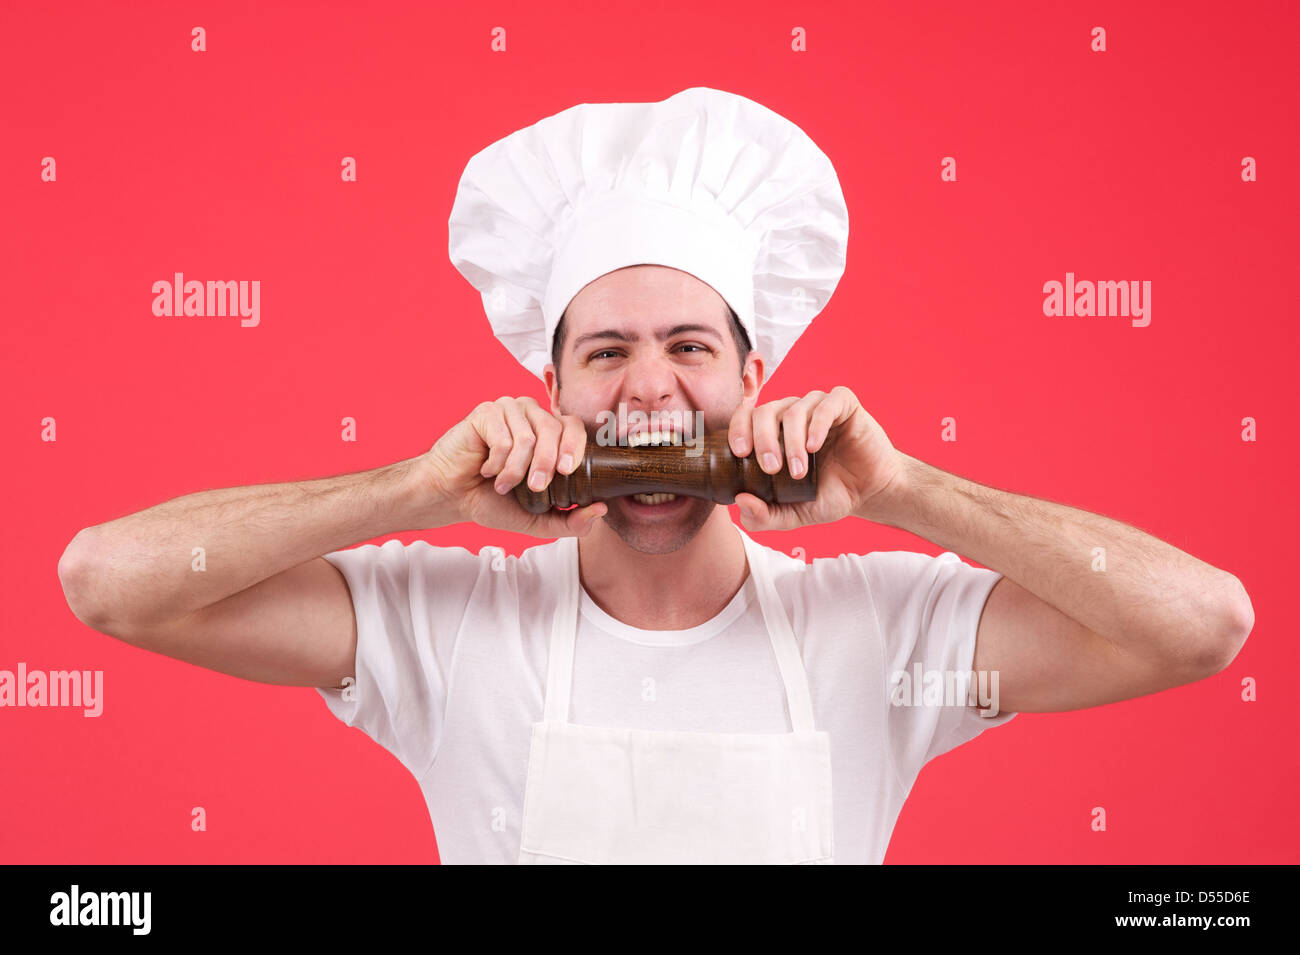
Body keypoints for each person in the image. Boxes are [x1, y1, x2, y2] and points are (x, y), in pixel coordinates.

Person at [57, 88, 1254, 865]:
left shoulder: (884, 632)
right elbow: (109, 580)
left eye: (689, 349)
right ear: (553, 392)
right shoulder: (449, 624)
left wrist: (906, 490)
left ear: (754, 377)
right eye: (606, 354)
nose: (647, 394)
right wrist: (420, 488)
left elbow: (1202, 624)